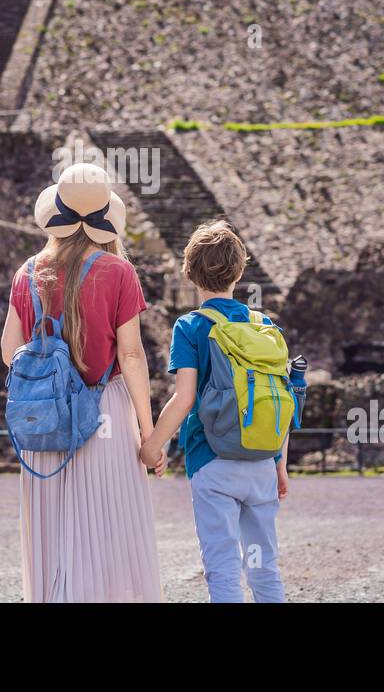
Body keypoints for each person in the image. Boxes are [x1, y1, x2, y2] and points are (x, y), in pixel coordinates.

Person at [0, 162, 164, 602]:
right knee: (106, 534)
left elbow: (9, 352)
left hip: (44, 415)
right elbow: (130, 355)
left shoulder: (28, 273)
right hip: (103, 411)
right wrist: (148, 434)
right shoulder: (118, 272)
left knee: (53, 535)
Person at [139, 219, 288, 603]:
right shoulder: (266, 326)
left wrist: (152, 446)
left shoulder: (190, 326)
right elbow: (278, 398)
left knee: (222, 566)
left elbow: (185, 397)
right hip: (261, 463)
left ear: (190, 272)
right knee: (264, 565)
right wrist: (280, 464)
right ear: (240, 270)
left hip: (212, 459)